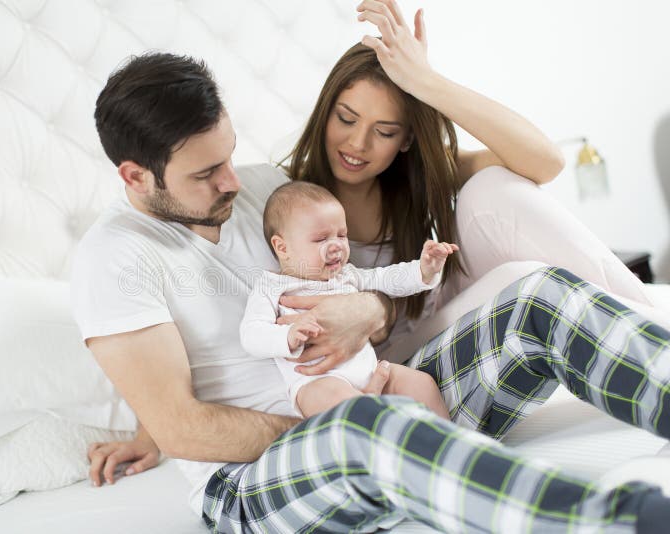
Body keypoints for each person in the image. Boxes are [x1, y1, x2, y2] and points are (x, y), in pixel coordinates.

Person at [74, 48, 670, 534]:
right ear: (135, 175)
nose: (232, 180)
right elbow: (183, 426)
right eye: (206, 174)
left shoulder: (265, 190)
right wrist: (343, 419)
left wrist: (367, 311)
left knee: (534, 298)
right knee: (365, 427)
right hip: (254, 478)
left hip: (382, 400)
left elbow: (359, 281)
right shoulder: (115, 258)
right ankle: (614, 523)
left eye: (228, 157)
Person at [283, 2, 670, 370]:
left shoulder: (414, 174)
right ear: (325, 111)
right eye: (346, 118)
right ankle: (654, 334)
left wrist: (426, 82)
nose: (357, 144)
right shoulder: (287, 196)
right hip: (382, 363)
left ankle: (654, 333)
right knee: (521, 279)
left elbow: (547, 161)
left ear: (405, 139)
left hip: (436, 320)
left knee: (489, 190)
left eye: (384, 131)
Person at [240, 180, 453, 419]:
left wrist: (424, 270)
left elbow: (385, 278)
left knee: (421, 384)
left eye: (342, 235)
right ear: (282, 247)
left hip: (371, 372)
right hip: (318, 384)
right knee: (352, 410)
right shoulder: (272, 287)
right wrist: (287, 337)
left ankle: (456, 447)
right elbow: (251, 334)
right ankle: (388, 440)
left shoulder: (347, 275)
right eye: (321, 239)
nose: (336, 246)